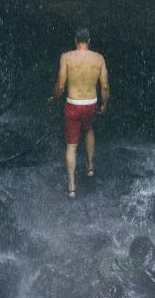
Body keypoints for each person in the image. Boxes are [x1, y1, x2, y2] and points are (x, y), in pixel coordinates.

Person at [48, 27, 109, 198]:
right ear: (89, 41)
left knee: (71, 145)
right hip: (90, 103)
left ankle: (72, 187)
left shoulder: (66, 57)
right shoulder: (98, 58)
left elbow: (61, 84)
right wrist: (104, 104)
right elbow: (104, 85)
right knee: (89, 130)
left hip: (73, 104)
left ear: (75, 41)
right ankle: (90, 167)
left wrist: (55, 98)